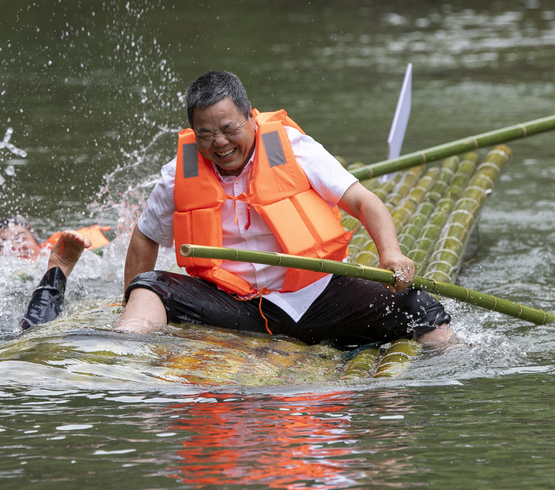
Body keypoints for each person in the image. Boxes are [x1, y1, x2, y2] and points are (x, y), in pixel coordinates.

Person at [118, 71, 454, 349]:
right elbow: (145, 237)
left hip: (316, 297)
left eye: (229, 128)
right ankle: (123, 349)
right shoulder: (178, 173)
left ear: (251, 116)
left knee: (417, 306)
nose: (219, 143)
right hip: (234, 307)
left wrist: (391, 253)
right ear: (193, 132)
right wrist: (129, 296)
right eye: (206, 134)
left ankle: (450, 358)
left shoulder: (295, 149)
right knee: (149, 286)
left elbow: (365, 202)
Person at [0, 215, 112, 262]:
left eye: (20, 239)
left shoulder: (53, 251)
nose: (15, 247)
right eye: (3, 245)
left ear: (39, 244)